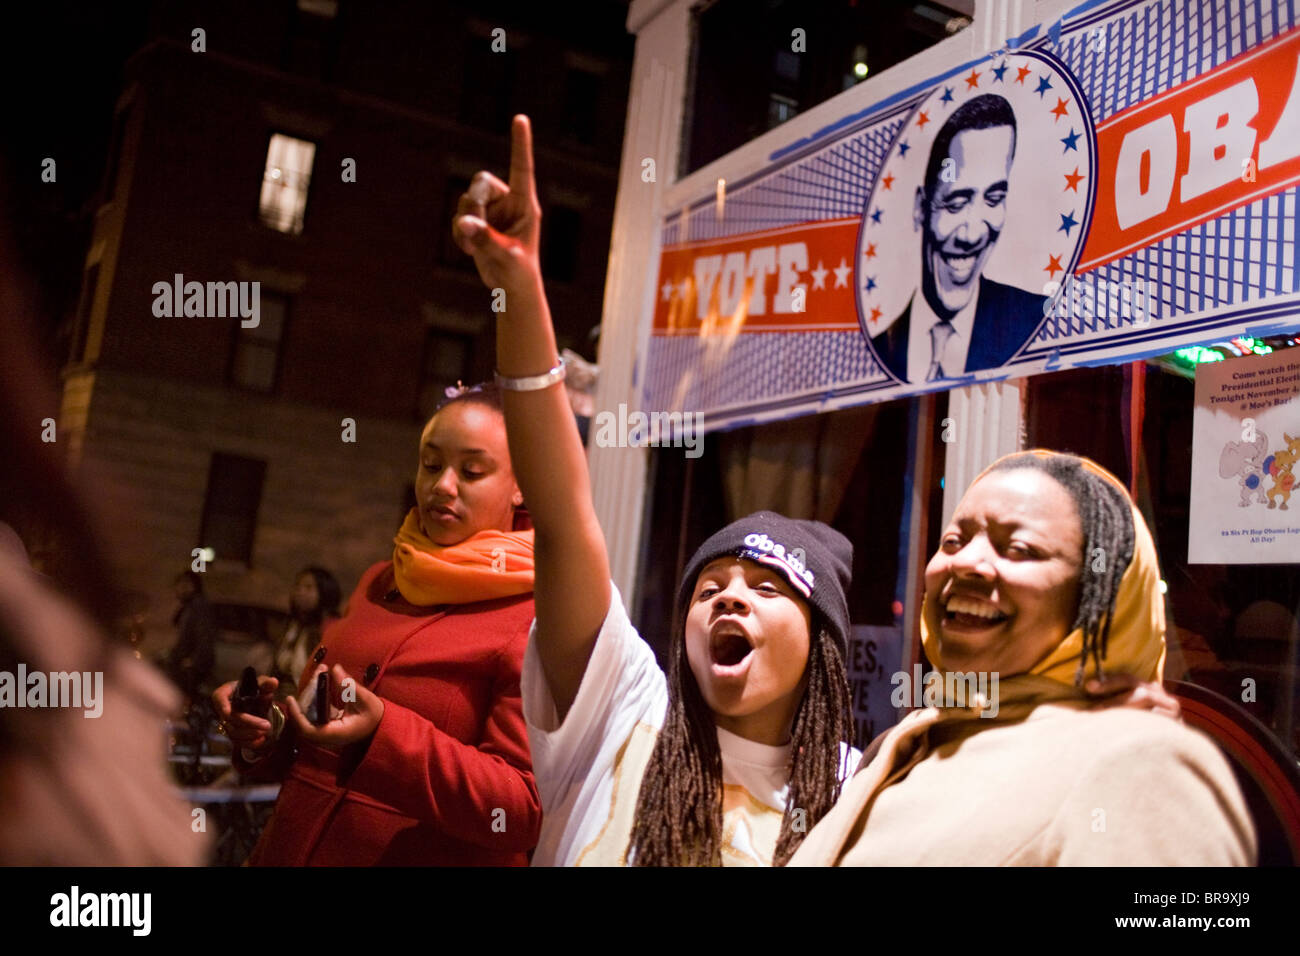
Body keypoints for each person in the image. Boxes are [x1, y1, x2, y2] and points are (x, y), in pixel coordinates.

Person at [789, 450, 1257, 865]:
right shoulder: (910, 743)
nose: (967, 562)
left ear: (1098, 601)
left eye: (1019, 549)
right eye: (953, 541)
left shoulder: (1141, 763)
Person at [212, 384, 541, 865]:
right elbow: (318, 747)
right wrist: (266, 731)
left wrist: (383, 734)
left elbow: (520, 807)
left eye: (471, 471)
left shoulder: (534, 613)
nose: (442, 485)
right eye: (430, 465)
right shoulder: (380, 579)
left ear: (521, 484)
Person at [870, 94, 1047, 383]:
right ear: (920, 208)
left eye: (993, 199)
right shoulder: (879, 353)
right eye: (955, 204)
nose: (972, 235)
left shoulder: (1036, 323)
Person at [271, 565, 341, 693]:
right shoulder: (294, 625)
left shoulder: (330, 628)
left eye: (308, 588)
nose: (300, 592)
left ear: (324, 592)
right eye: (298, 586)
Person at [165, 569, 217, 701]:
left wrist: (193, 661)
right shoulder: (189, 607)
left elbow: (204, 635)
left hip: (191, 667)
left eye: (183, 585)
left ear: (192, 586)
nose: (178, 590)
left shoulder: (198, 606)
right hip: (184, 663)